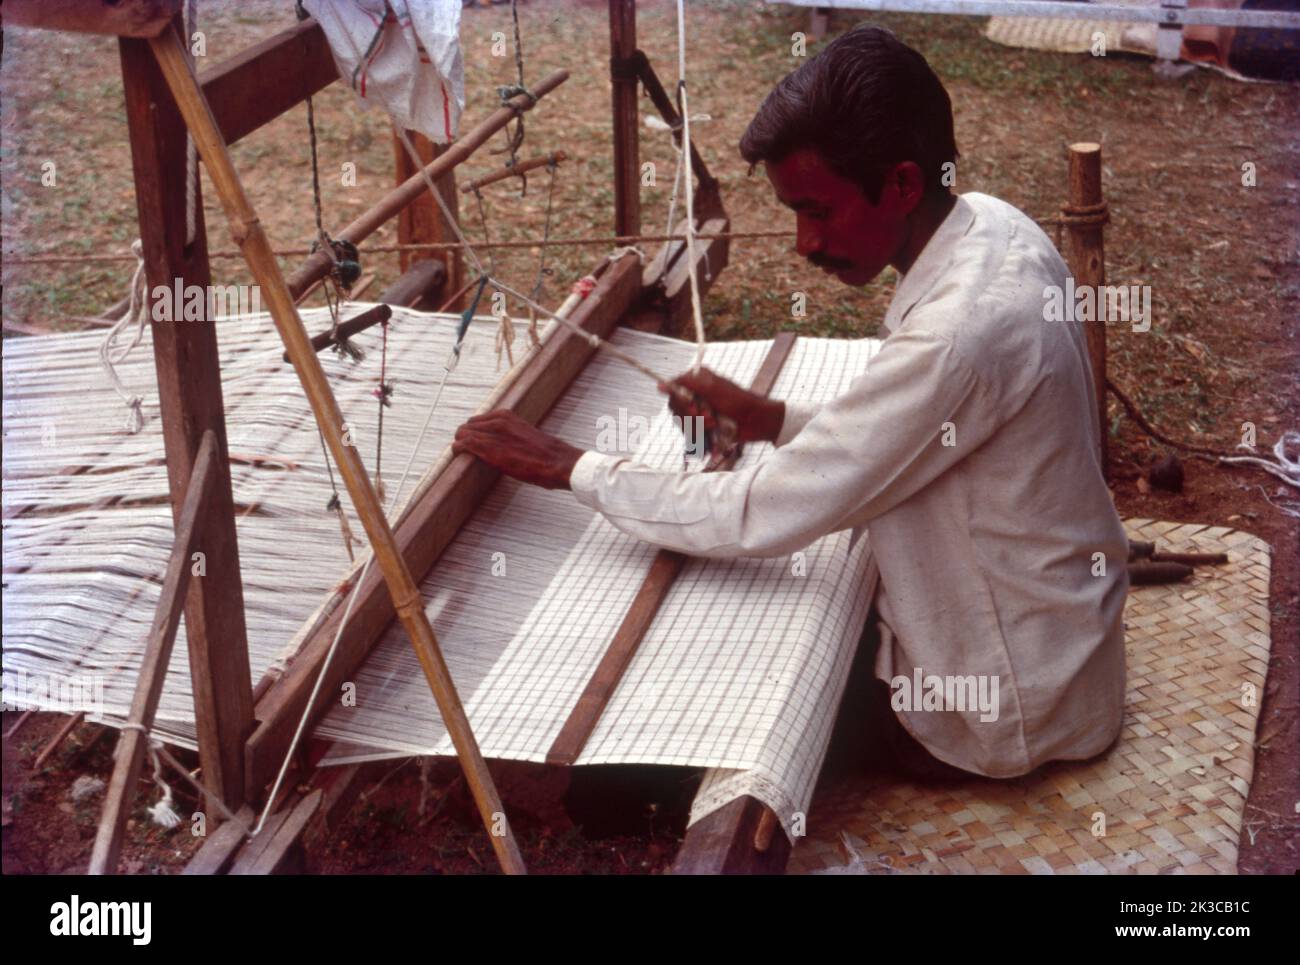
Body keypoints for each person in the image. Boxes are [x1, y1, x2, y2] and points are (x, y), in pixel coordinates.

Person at [453, 24, 1128, 782]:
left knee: (638, 761)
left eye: (819, 210)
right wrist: (771, 419)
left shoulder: (958, 335)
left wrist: (570, 466)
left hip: (999, 711)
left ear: (903, 184)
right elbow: (920, 434)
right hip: (1065, 654)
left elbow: (762, 512)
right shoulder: (994, 225)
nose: (804, 243)